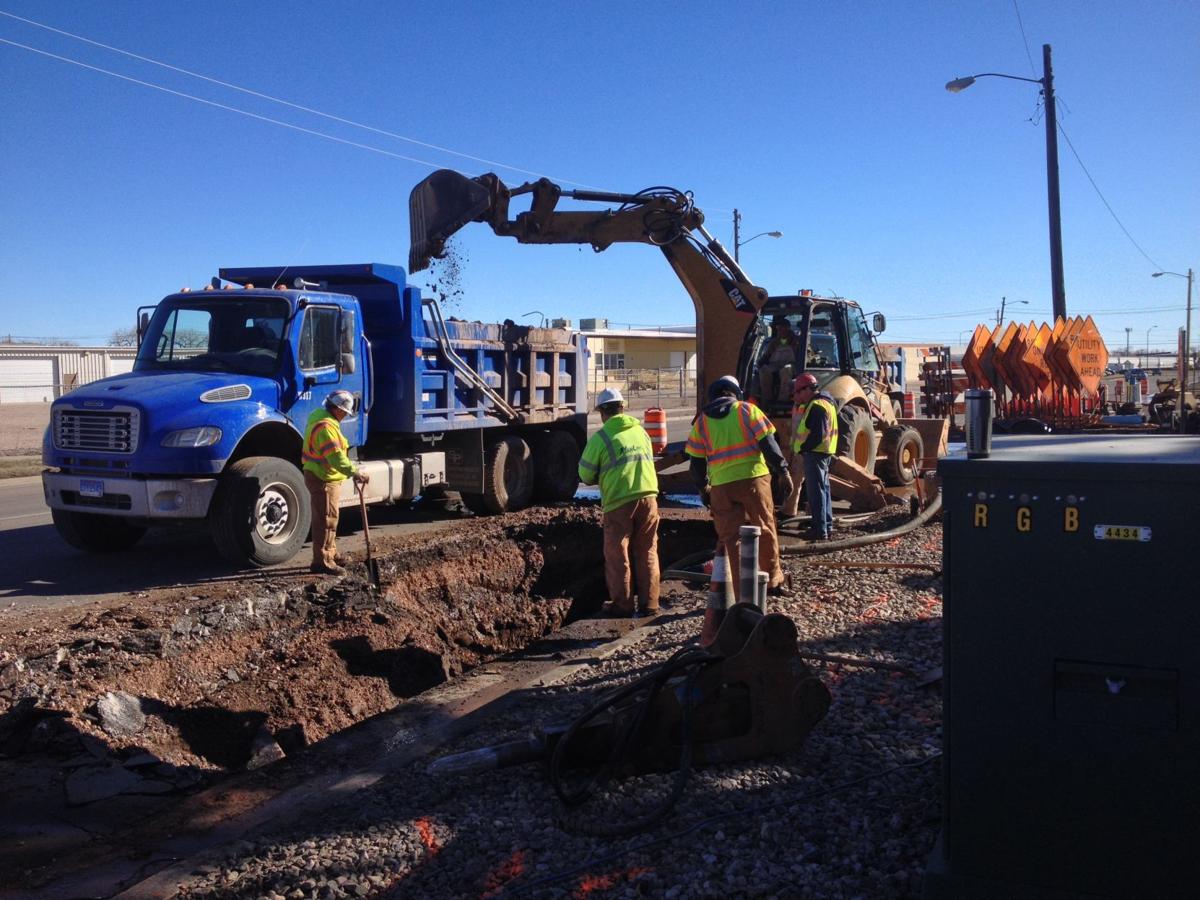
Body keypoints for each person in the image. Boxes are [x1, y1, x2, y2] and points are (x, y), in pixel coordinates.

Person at [686, 375, 793, 599]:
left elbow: (696, 464)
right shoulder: (747, 410)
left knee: (731, 539)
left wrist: (703, 488)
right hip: (754, 480)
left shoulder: (702, 421)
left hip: (722, 487)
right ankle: (772, 580)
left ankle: (741, 591)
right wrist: (783, 471)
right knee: (764, 527)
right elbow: (769, 445)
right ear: (735, 392)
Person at [578, 388, 661, 617]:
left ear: (603, 412)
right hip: (649, 497)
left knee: (618, 555)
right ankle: (650, 604)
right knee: (647, 551)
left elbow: (584, 475)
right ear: (622, 407)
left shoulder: (602, 438)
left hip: (618, 502)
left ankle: (622, 606)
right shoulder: (640, 432)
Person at [302, 390, 369, 575]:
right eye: (345, 413)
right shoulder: (326, 427)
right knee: (326, 521)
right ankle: (322, 561)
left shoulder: (320, 417)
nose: (345, 417)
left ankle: (330, 552)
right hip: (323, 478)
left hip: (323, 475)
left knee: (330, 518)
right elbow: (336, 458)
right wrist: (354, 471)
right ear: (338, 410)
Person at [791, 373, 839, 541]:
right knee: (824, 489)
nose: (797, 396)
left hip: (815, 453)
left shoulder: (817, 406)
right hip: (824, 452)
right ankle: (827, 525)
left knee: (816, 492)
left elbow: (817, 434)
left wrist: (804, 448)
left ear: (806, 390)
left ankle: (819, 530)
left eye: (798, 392)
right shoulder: (827, 403)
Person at [756, 316, 798, 402]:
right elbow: (766, 356)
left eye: (782, 328)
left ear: (787, 328)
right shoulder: (773, 342)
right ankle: (767, 399)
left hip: (791, 365)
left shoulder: (796, 340)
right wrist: (761, 363)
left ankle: (782, 400)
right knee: (764, 370)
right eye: (778, 328)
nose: (780, 330)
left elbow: (804, 354)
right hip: (775, 365)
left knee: (786, 370)